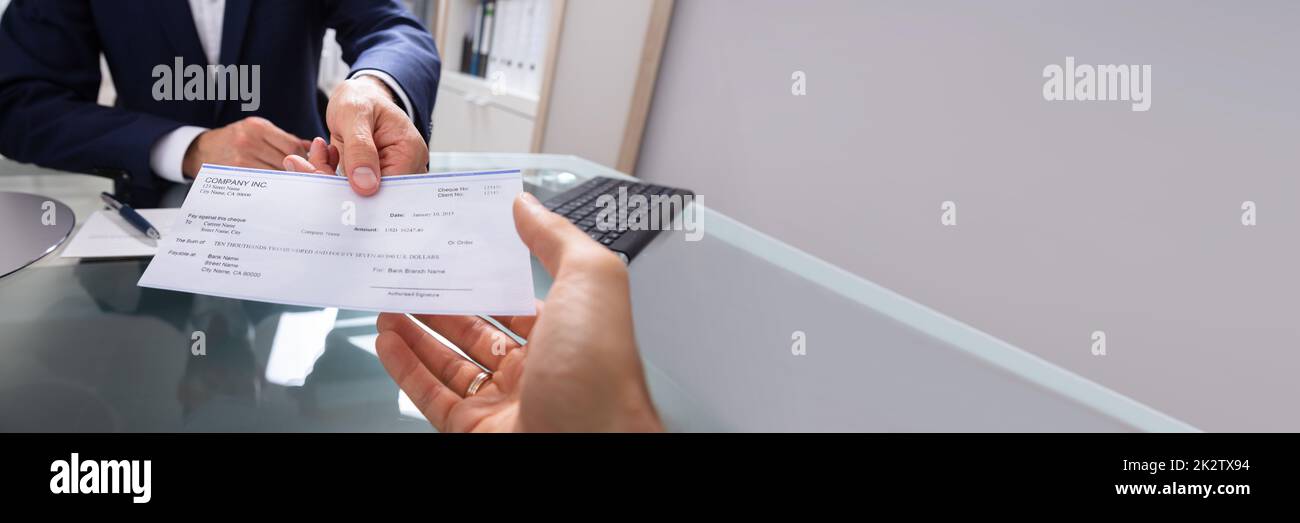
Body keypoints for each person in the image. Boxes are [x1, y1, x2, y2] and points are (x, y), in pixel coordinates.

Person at [0, 0, 437, 204]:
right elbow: (18, 103)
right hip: (154, 218)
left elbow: (395, 29)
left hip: (307, 202)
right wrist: (187, 148)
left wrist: (374, 87)